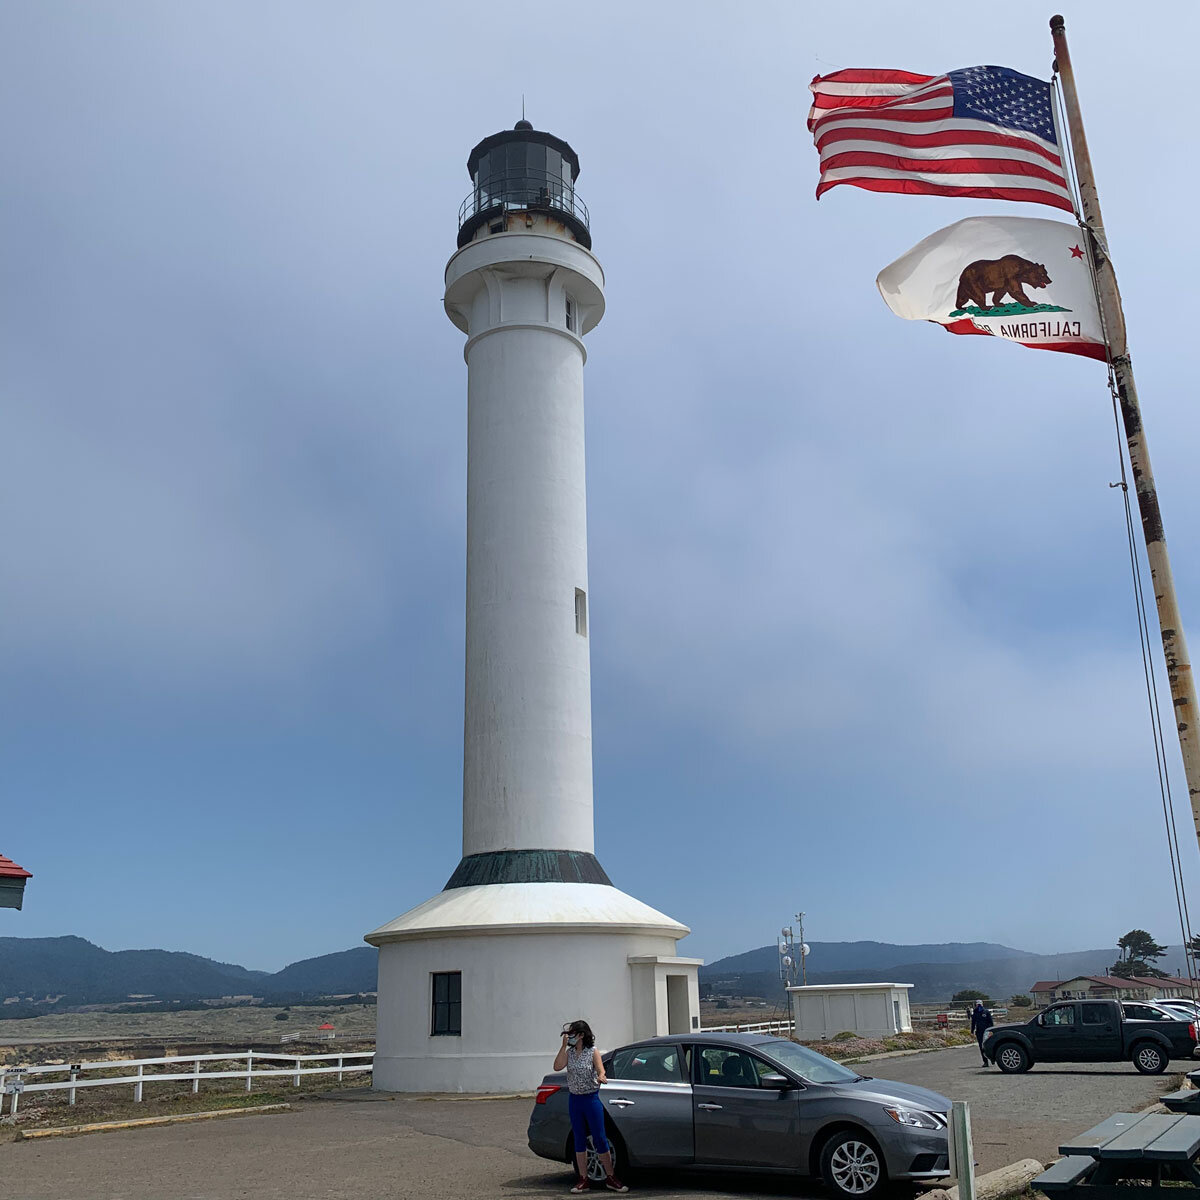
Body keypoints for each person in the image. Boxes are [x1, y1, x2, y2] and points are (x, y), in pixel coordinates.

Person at [554, 1019, 628, 1194]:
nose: (570, 1037)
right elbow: (557, 1066)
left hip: (591, 1098)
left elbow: (600, 1069)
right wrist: (563, 1046)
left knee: (599, 1137)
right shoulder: (570, 1053)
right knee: (579, 1139)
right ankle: (583, 1178)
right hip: (575, 1099)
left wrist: (602, 1076)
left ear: (581, 1035)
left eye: (572, 1034)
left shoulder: (592, 1051)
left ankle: (611, 1177)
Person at [970, 1000, 994, 1066]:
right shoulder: (975, 1012)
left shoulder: (986, 1012)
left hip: (986, 1031)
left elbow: (991, 1022)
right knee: (981, 1047)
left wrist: (992, 1031)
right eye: (978, 1004)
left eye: (979, 1004)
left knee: (989, 1045)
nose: (979, 1006)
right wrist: (972, 1031)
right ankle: (985, 1061)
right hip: (979, 1032)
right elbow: (973, 1022)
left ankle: (992, 1059)